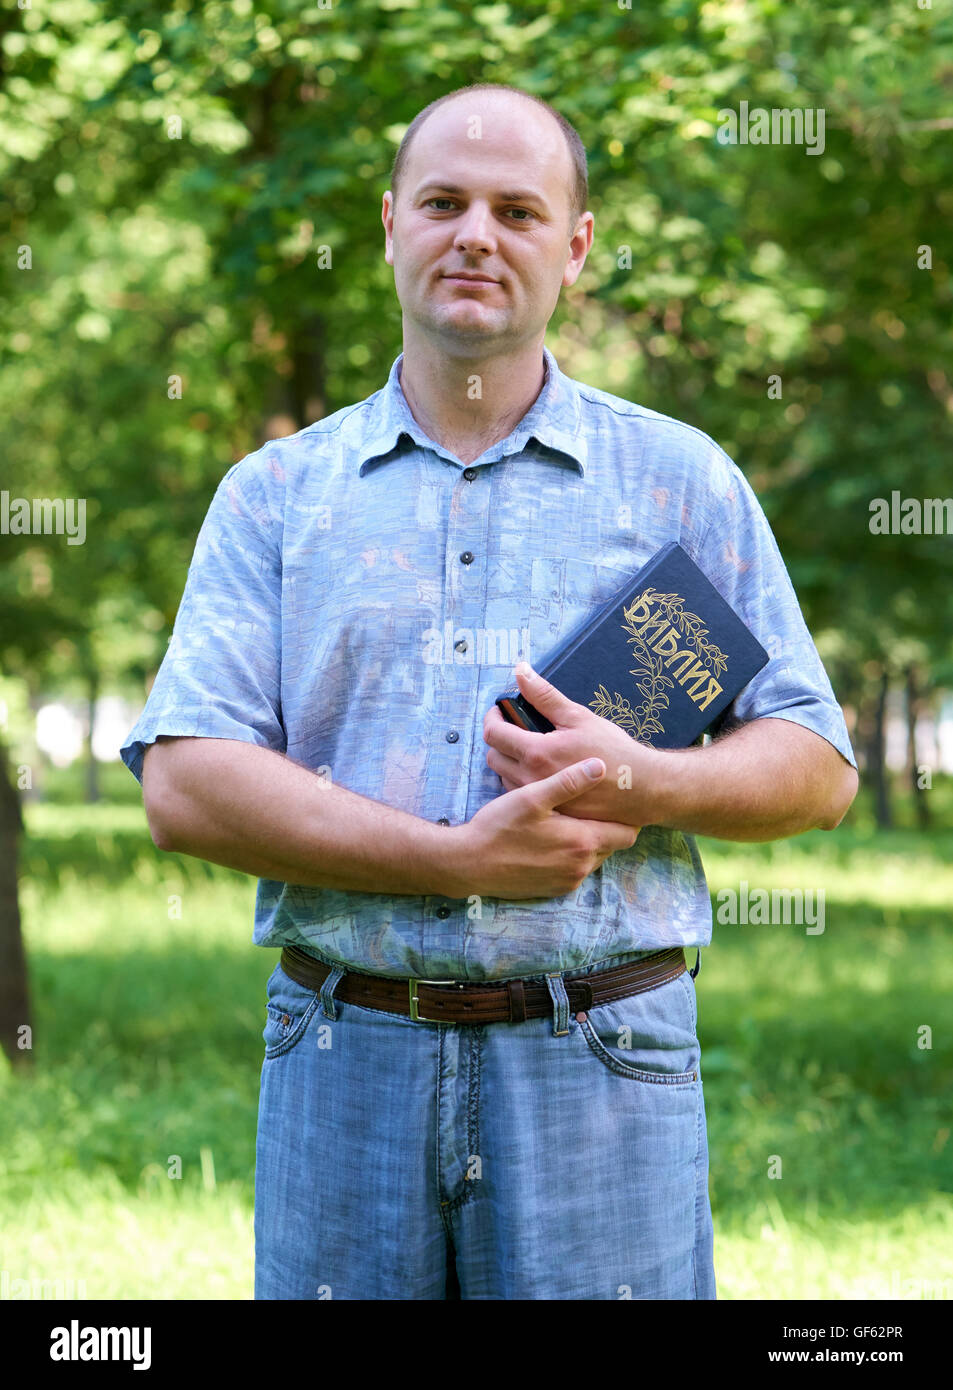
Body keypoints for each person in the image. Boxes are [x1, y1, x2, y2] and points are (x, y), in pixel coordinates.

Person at [120, 82, 858, 1300]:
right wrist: (461, 857)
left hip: (600, 1064)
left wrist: (636, 776)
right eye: (443, 202)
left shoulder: (681, 482)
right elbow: (187, 786)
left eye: (518, 210)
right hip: (345, 1051)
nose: (476, 233)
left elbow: (819, 766)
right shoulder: (275, 495)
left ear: (573, 248)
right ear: (388, 224)